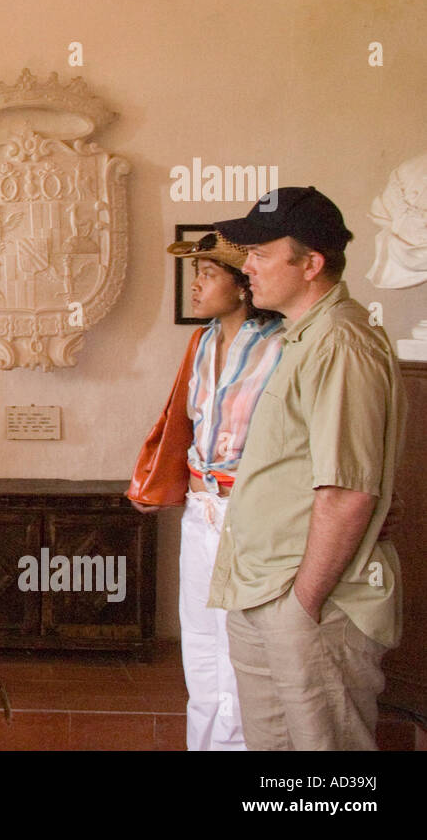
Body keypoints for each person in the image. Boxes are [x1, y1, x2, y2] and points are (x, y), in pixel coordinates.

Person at [208, 187, 405, 750]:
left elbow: (347, 491)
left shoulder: (341, 342)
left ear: (311, 264)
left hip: (311, 602)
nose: (246, 268)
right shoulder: (305, 336)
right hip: (266, 591)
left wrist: (304, 603)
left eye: (261, 254)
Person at [131, 232, 283, 750]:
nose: (195, 284)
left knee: (241, 648)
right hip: (202, 509)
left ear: (243, 286)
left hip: (252, 513)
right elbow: (180, 425)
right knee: (198, 644)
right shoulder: (200, 343)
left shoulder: (284, 343)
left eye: (209, 274)